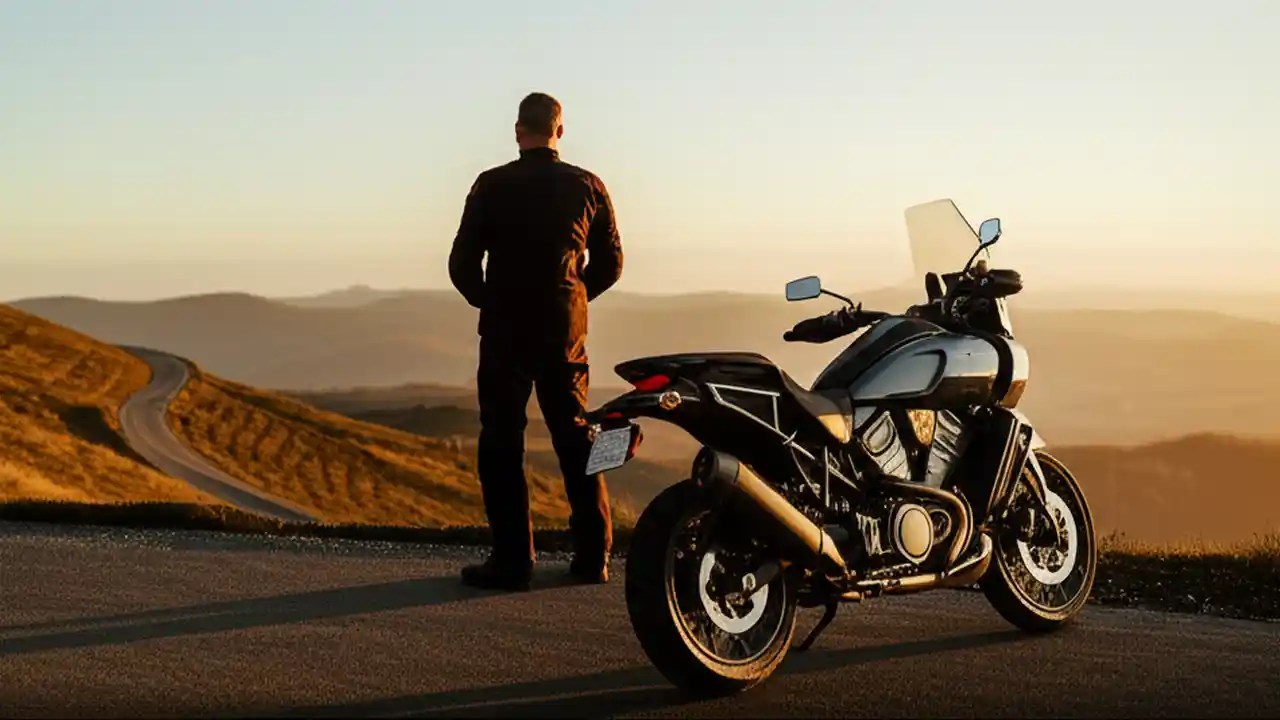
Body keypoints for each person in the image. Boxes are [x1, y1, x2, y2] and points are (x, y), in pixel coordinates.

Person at [448, 92, 624, 591]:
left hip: (505, 328)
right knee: (576, 434)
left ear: (517, 130)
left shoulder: (490, 185)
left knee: (501, 441)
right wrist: (577, 295)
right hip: (563, 330)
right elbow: (612, 263)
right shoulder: (587, 186)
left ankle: (512, 560)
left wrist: (488, 300)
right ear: (559, 132)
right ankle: (594, 557)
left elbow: (461, 265)